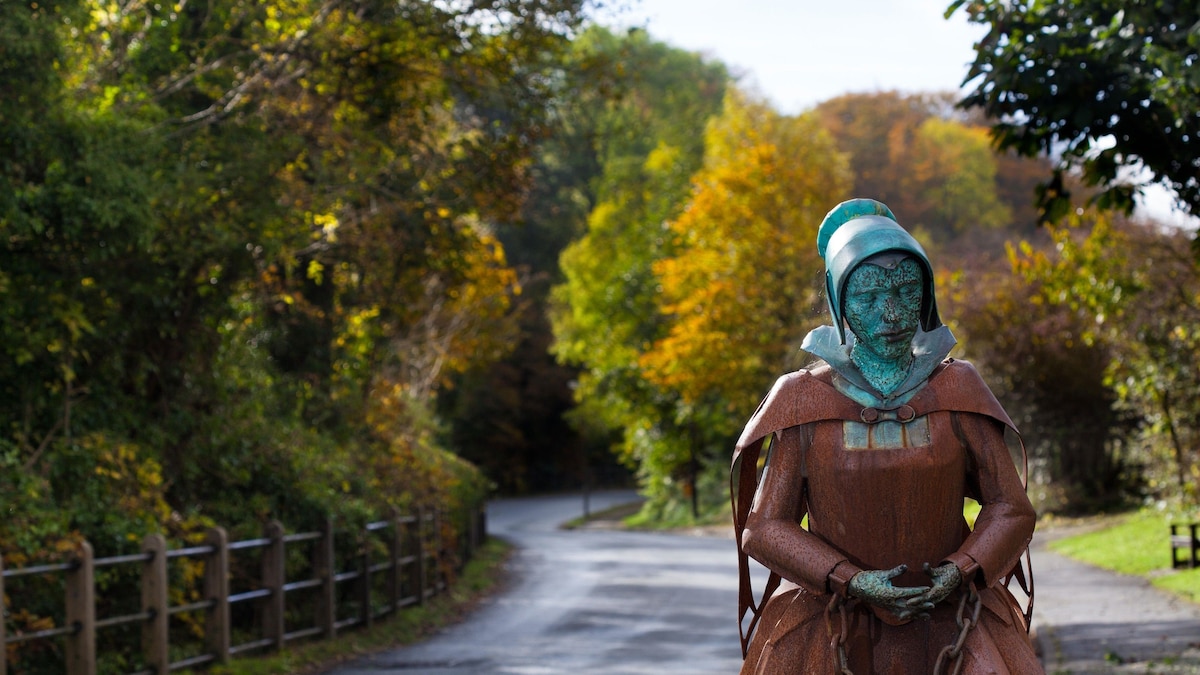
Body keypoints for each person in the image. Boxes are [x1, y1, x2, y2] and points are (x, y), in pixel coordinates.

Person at [731, 199, 1043, 674]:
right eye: (869, 298)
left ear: (926, 294)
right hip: (832, 627)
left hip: (953, 623)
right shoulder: (802, 401)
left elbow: (1011, 505)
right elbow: (765, 526)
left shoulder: (956, 389)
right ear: (839, 302)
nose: (892, 314)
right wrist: (850, 580)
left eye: (905, 290)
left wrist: (960, 569)